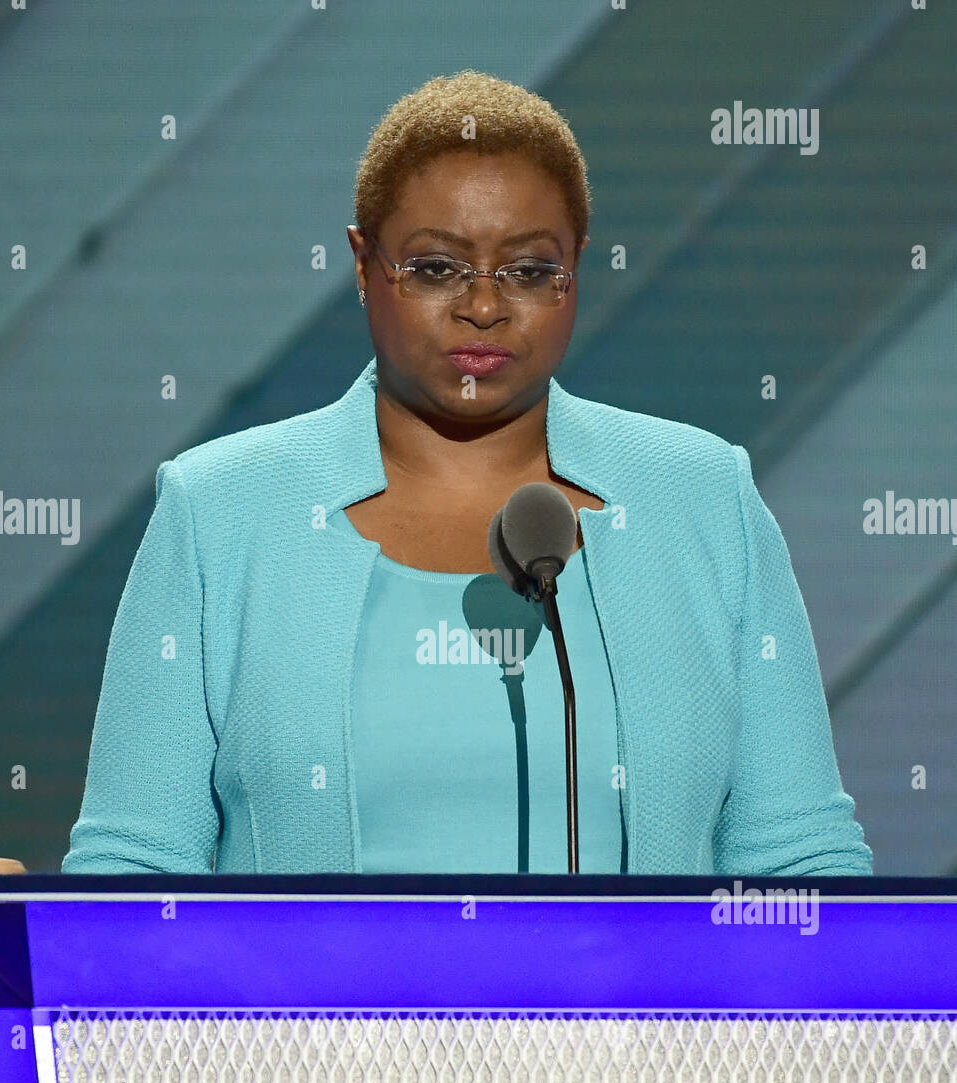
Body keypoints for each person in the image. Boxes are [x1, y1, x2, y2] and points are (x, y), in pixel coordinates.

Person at [62, 70, 872, 876]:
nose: (483, 306)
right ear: (361, 263)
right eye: (436, 268)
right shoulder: (219, 510)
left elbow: (799, 865)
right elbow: (136, 868)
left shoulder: (699, 498)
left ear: (575, 271)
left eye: (526, 270)